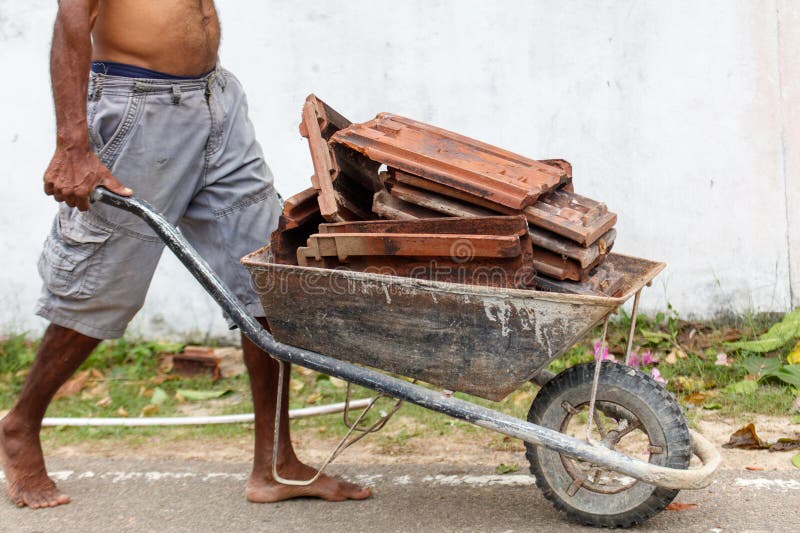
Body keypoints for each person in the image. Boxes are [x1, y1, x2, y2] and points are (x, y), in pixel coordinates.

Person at [0, 0, 371, 509]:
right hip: (138, 106)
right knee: (101, 285)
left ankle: (275, 465)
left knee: (265, 275)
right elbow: (71, 17)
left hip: (215, 100)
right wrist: (72, 144)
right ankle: (21, 424)